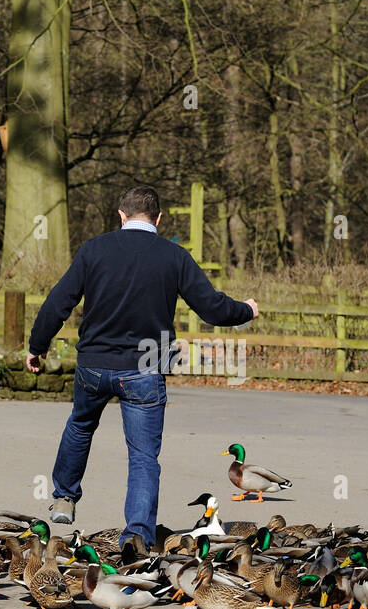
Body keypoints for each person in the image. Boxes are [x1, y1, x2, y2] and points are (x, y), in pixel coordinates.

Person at [26, 185, 258, 547]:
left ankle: (64, 497)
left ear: (121, 216)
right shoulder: (174, 256)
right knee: (143, 456)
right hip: (145, 370)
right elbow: (212, 307)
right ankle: (136, 533)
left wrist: (36, 347)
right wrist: (247, 310)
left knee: (81, 425)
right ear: (159, 218)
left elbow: (59, 302)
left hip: (94, 365)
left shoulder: (94, 250)